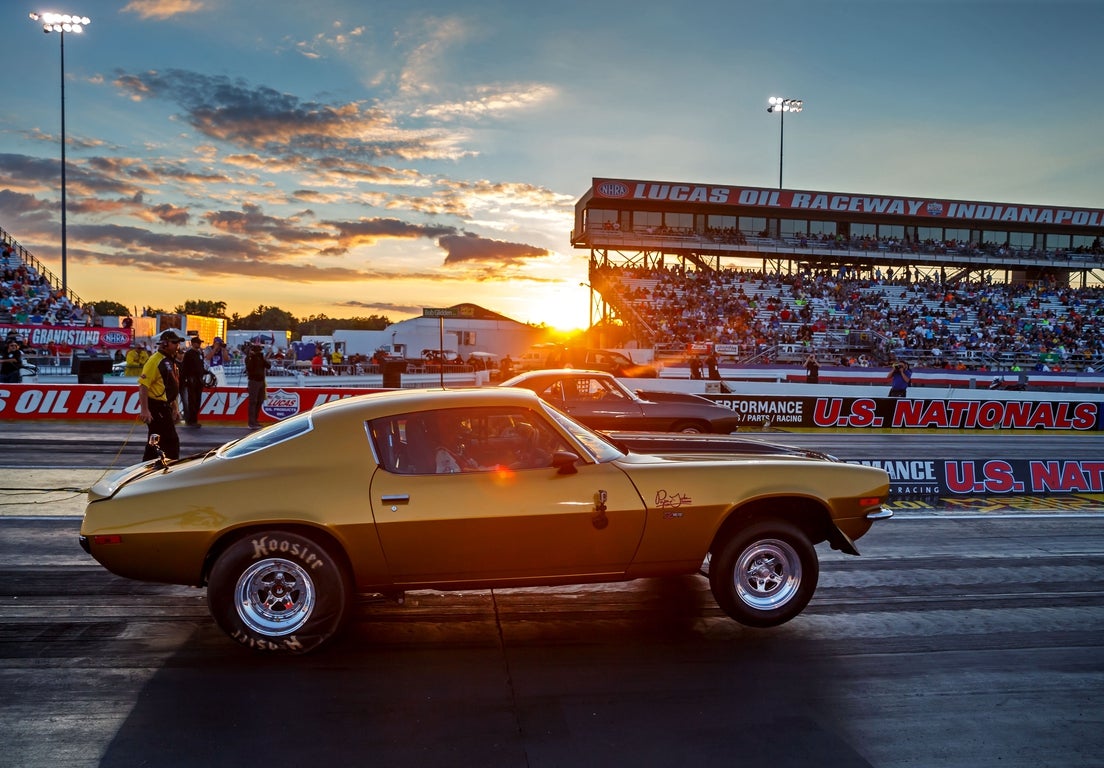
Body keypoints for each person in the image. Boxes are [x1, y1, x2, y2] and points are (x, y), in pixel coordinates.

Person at [138, 329, 183, 461]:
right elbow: (143, 386)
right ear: (165, 344)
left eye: (178, 343)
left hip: (165, 405)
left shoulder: (170, 361)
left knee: (156, 438)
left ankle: (149, 464)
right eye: (174, 343)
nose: (177, 346)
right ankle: (171, 465)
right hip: (156, 406)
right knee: (170, 439)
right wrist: (145, 410)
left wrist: (175, 408)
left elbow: (170, 387)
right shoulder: (154, 360)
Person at [179, 335, 206, 428]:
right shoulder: (189, 354)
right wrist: (185, 379)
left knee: (197, 401)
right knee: (192, 401)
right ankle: (191, 420)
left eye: (199, 343)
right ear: (193, 343)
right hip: (191, 380)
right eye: (197, 343)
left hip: (198, 380)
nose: (199, 344)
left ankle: (194, 419)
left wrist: (205, 372)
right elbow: (184, 368)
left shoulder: (199, 353)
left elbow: (200, 367)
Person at [245, 343, 270, 429]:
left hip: (261, 381)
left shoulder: (261, 358)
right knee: (253, 401)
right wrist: (252, 357)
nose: (259, 352)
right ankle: (251, 422)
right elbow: (249, 368)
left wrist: (262, 358)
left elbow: (268, 366)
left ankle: (255, 420)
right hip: (253, 381)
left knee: (260, 400)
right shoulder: (250, 358)